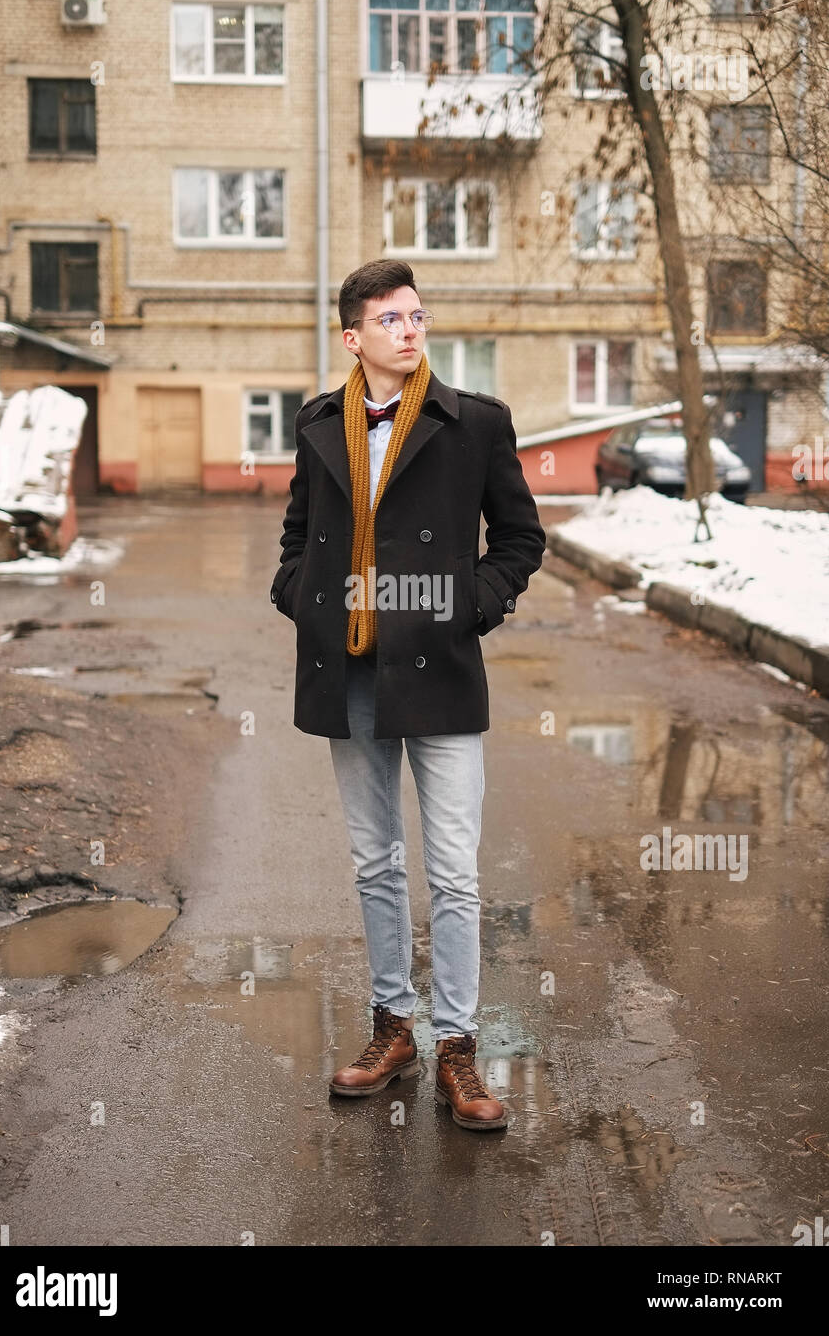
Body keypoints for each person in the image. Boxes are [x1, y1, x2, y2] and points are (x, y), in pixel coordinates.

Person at [270, 258, 546, 1131]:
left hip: (440, 672)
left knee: (456, 873)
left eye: (418, 315)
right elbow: (296, 536)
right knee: (376, 863)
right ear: (353, 338)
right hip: (348, 672)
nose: (411, 329)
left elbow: (519, 537)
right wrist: (301, 599)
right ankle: (394, 1029)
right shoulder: (319, 423)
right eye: (391, 319)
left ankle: (458, 1046)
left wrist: (471, 606)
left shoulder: (474, 424)